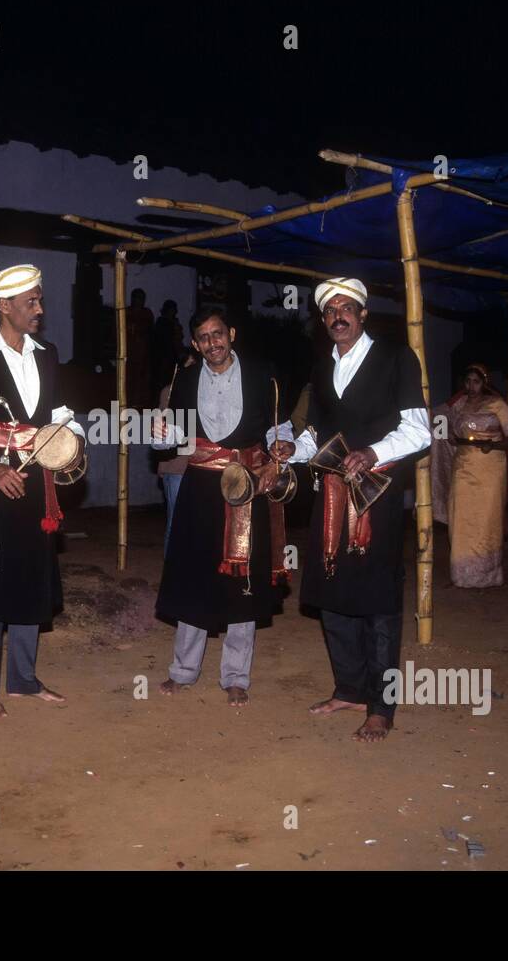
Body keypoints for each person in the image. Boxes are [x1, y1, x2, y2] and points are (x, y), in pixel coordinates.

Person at [269, 278, 430, 743]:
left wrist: (374, 453)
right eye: (330, 311)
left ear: (363, 315)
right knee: (332, 591)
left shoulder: (397, 358)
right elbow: (315, 436)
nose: (339, 316)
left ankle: (381, 707)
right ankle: (348, 688)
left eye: (347, 309)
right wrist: (290, 448)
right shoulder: (322, 368)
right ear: (323, 321)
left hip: (375, 499)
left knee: (378, 600)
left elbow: (419, 431)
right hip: (331, 495)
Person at [0, 264, 85, 721]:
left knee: (30, 574)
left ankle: (23, 679)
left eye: (40, 300)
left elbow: (63, 414)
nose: (40, 310)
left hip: (36, 485)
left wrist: (70, 441)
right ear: (3, 306)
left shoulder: (47, 355)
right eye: (31, 302)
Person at [152, 312, 287, 706]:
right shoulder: (187, 379)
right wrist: (162, 435)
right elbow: (175, 437)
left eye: (218, 334)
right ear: (195, 344)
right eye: (203, 338)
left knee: (242, 576)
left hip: (246, 486)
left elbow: (279, 429)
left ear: (231, 334)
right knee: (194, 573)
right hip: (200, 487)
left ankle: (235, 677)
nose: (213, 343)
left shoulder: (263, 374)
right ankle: (183, 671)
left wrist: (279, 455)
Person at [444, 364, 508, 587]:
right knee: (461, 517)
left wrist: (494, 447)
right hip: (464, 465)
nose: (471, 386)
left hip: (490, 466)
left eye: (476, 381)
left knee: (487, 518)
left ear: (484, 383)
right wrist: (452, 438)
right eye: (467, 381)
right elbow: (450, 430)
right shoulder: (459, 404)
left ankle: (487, 575)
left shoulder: (497, 404)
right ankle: (462, 574)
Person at [155, 350, 196, 553]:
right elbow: (166, 429)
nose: (191, 371)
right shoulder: (170, 392)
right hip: (177, 466)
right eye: (187, 367)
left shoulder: (204, 392)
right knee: (176, 519)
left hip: (199, 465)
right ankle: (171, 569)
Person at [124, 288, 154, 408]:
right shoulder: (127, 312)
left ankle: (138, 404)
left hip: (142, 353)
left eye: (141, 298)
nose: (138, 301)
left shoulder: (146, 314)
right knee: (127, 379)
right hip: (128, 352)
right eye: (136, 298)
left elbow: (150, 333)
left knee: (141, 380)